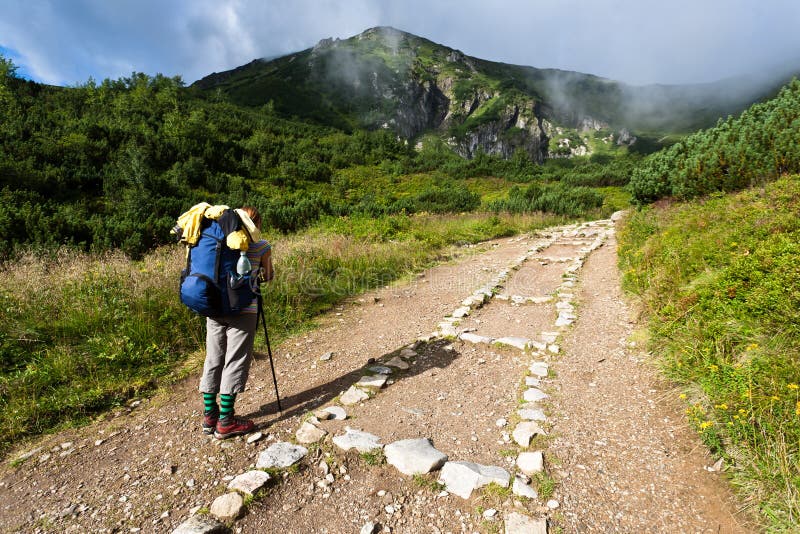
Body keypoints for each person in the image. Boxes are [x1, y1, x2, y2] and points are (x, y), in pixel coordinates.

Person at [199, 206, 274, 439]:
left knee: (214, 358)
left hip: (214, 307)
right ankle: (226, 421)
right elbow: (268, 276)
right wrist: (256, 274)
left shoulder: (217, 241)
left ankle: (210, 415)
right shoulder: (261, 246)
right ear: (256, 223)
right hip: (243, 310)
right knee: (235, 360)